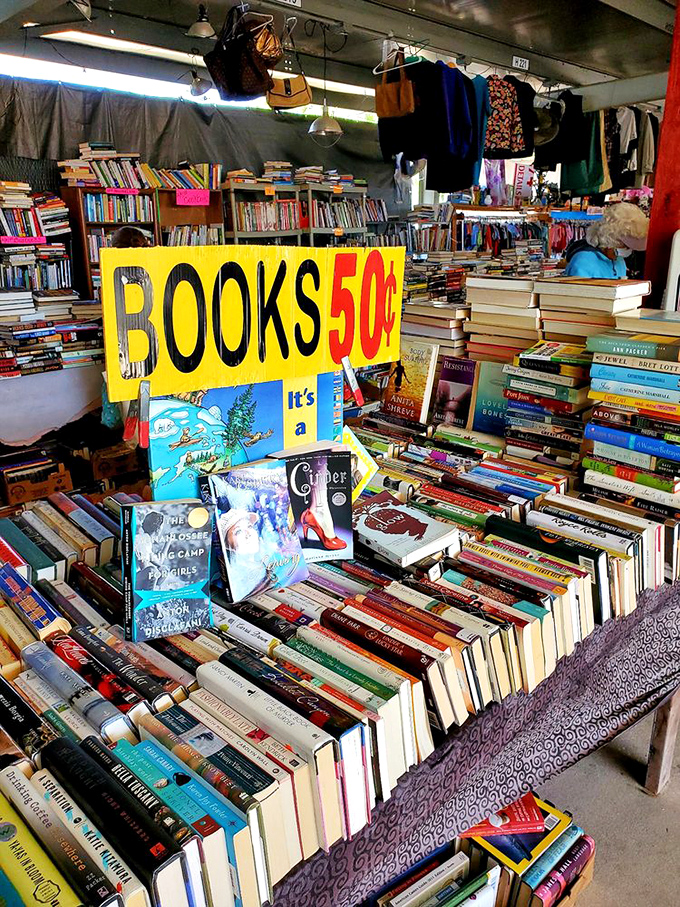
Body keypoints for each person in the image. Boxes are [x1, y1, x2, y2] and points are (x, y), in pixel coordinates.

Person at [563, 202, 649, 279]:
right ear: (612, 240)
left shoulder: (619, 262)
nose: (629, 251)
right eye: (626, 246)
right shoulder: (583, 262)